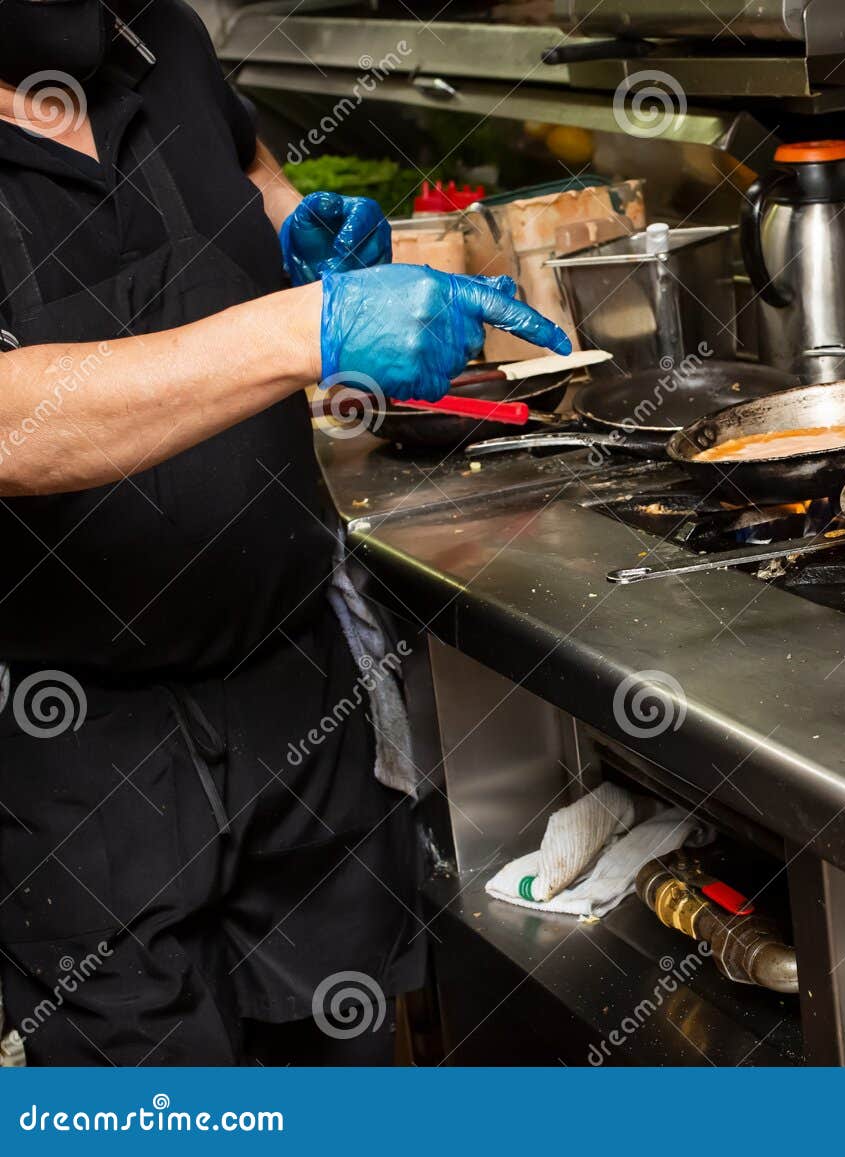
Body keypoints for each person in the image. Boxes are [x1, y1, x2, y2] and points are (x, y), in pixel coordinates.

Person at [0, 1, 569, 1064]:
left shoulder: (153, 35)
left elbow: (251, 172)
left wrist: (302, 241)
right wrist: (307, 327)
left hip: (297, 695)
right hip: (75, 751)